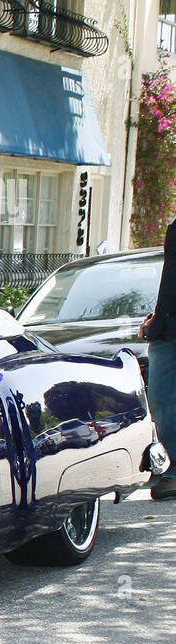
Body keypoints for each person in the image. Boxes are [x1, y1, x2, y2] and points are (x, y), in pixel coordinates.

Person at [141, 214, 176, 501]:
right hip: (167, 326)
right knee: (162, 400)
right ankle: (169, 468)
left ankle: (172, 473)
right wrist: (158, 316)